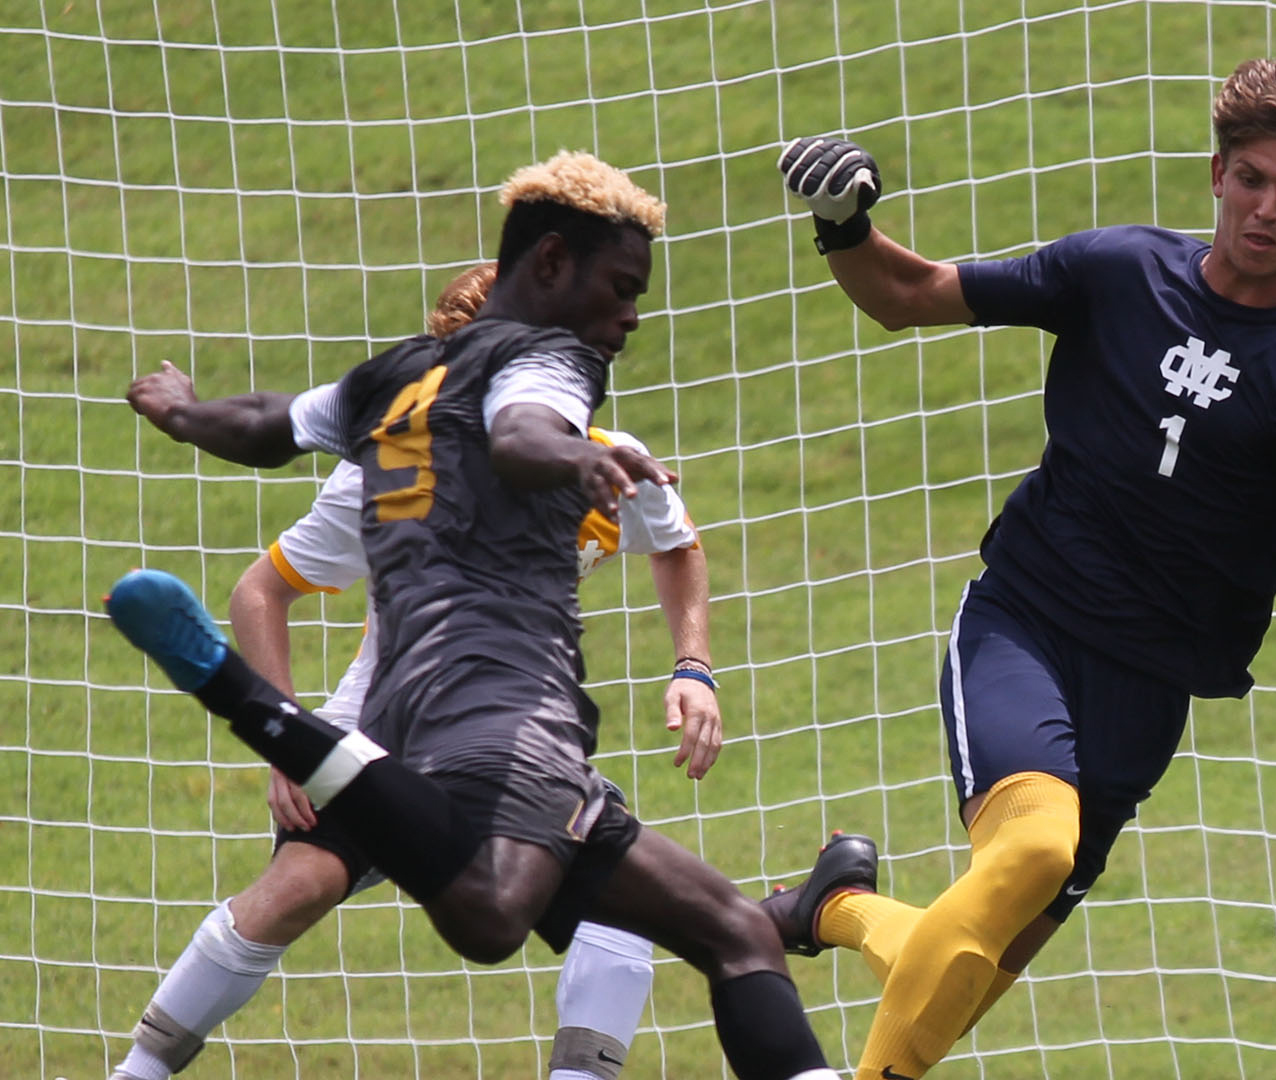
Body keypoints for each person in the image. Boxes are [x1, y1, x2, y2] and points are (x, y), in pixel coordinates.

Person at [766, 54, 1276, 1080]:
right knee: (1035, 852)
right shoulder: (1117, 270)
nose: (1267, 208)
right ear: (1216, 175)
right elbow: (907, 296)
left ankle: (831, 903)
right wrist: (844, 227)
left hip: (1147, 699)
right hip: (1026, 626)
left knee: (968, 976)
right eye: (1251, 179)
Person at [108, 151, 836, 1080]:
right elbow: (521, 430)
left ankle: (298, 741)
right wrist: (573, 462)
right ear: (549, 264)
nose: (632, 314)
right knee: (495, 913)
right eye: (620, 286)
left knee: (729, 929)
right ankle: (253, 704)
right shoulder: (550, 360)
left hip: (414, 714)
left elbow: (265, 422)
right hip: (510, 713)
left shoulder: (392, 383)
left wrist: (182, 413)